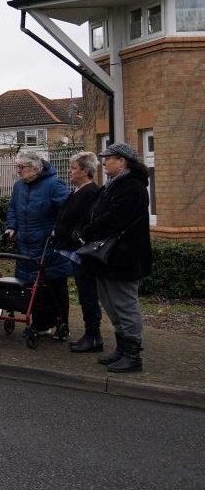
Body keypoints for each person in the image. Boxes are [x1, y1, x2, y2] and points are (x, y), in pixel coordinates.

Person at [80, 142, 152, 373]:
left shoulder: (132, 187)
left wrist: (87, 231)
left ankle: (133, 355)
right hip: (108, 257)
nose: (104, 162)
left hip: (125, 257)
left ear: (122, 161)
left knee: (125, 305)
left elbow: (114, 218)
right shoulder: (114, 185)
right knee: (111, 305)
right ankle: (122, 348)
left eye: (108, 158)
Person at [4, 150, 72, 338]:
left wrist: (58, 230)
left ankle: (62, 325)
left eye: (21, 167)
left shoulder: (54, 185)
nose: (18, 171)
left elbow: (67, 211)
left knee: (55, 287)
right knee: (33, 288)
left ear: (35, 168)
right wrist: (11, 227)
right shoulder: (19, 186)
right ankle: (41, 325)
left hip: (48, 246)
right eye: (17, 167)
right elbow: (13, 209)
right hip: (25, 246)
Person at [53, 151, 103, 353]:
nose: (69, 171)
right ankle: (91, 335)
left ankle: (93, 336)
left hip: (83, 253)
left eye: (73, 168)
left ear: (86, 171)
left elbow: (85, 222)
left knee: (88, 294)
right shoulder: (78, 191)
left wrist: (72, 235)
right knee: (84, 293)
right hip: (74, 250)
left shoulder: (90, 193)